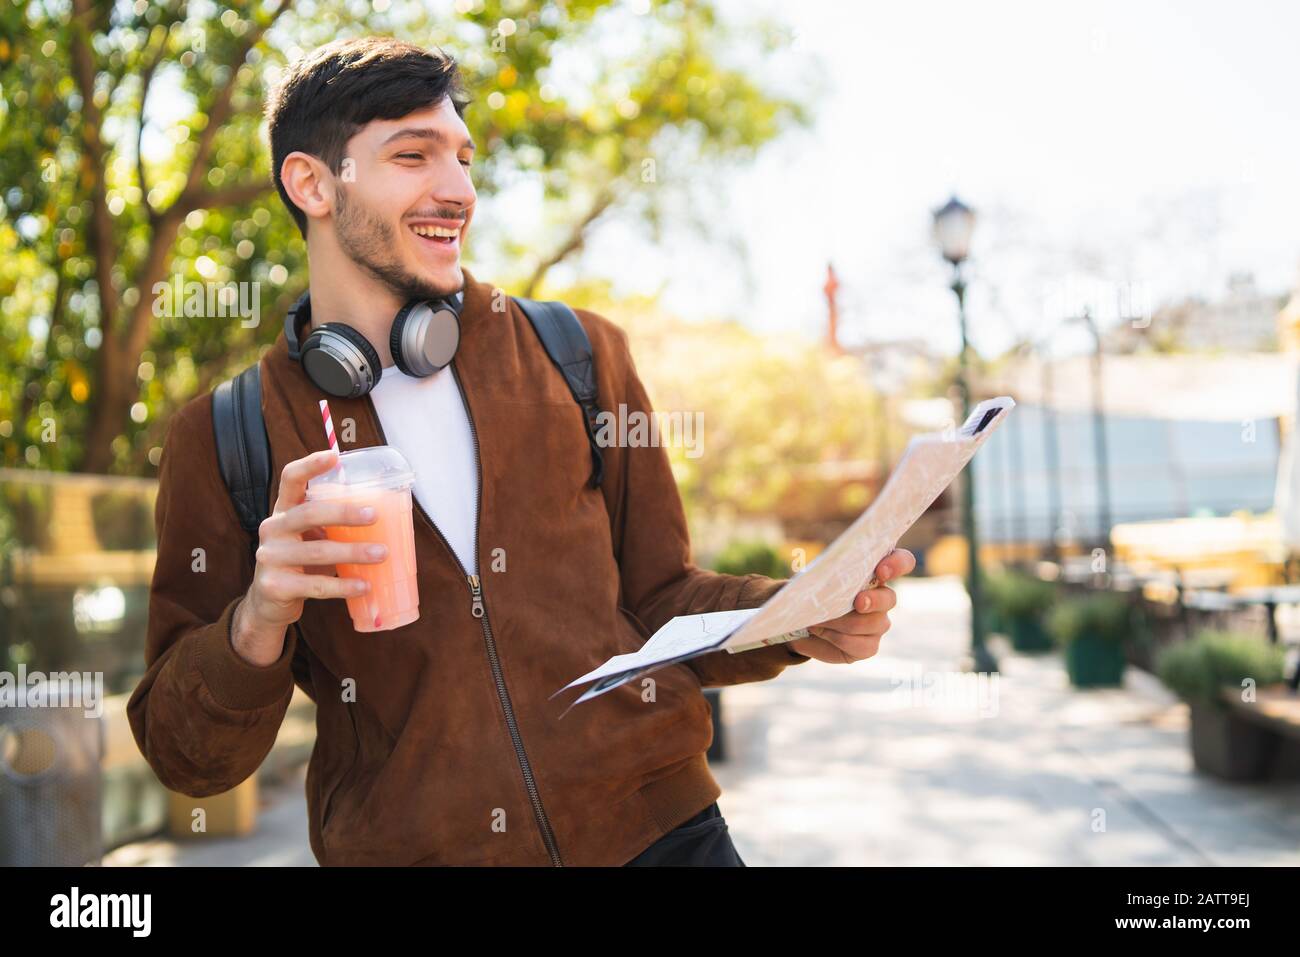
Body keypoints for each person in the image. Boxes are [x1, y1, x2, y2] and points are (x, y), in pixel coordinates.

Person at [128, 36, 915, 867]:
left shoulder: (576, 353)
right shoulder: (225, 435)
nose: (458, 190)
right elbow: (187, 759)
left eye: (464, 159)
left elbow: (659, 599)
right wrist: (256, 619)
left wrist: (795, 615)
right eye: (413, 155)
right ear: (312, 182)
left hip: (664, 839)